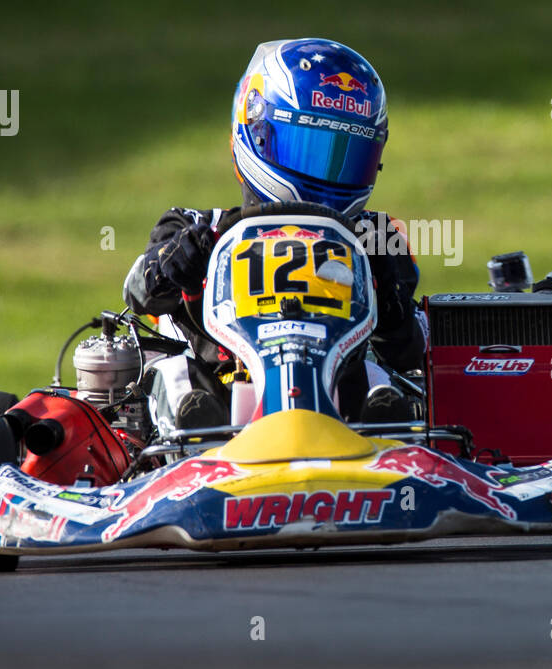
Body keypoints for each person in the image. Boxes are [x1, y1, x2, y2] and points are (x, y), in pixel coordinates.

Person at [122, 38, 424, 428]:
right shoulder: (195, 228)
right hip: (222, 402)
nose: (325, 177)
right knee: (173, 374)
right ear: (257, 130)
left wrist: (394, 310)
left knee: (379, 383)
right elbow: (137, 292)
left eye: (345, 158)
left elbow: (410, 354)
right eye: (310, 150)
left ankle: (388, 438)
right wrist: (173, 264)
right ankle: (193, 439)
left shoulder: (374, 239)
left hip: (337, 408)